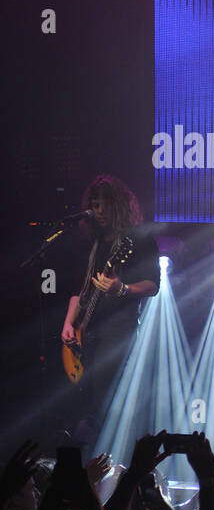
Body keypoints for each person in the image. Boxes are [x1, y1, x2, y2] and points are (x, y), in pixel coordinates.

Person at [59, 175, 160, 445]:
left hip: (118, 330)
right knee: (80, 403)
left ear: (118, 205)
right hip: (86, 332)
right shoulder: (95, 242)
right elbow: (81, 291)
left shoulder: (138, 240)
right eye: (94, 204)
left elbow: (153, 285)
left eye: (104, 205)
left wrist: (122, 289)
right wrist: (69, 324)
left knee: (105, 400)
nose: (99, 211)